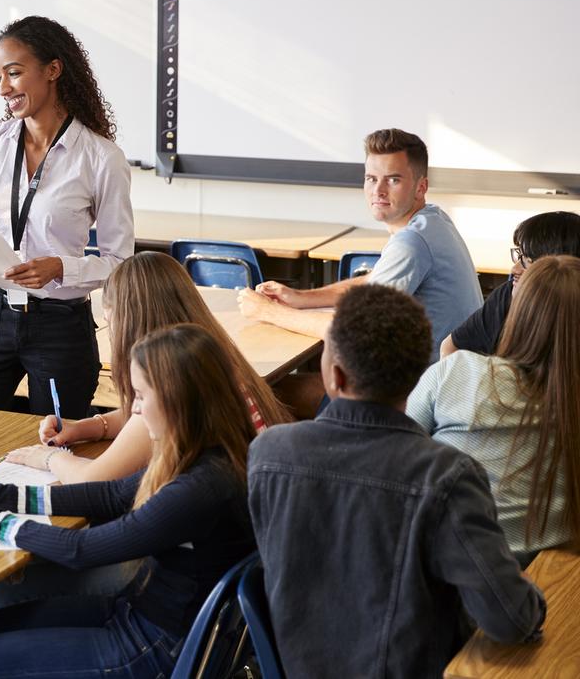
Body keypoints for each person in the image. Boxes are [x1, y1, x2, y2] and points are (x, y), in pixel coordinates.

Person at [248, 284, 545, 677]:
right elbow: (510, 619)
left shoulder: (268, 454)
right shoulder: (447, 475)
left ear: (333, 375)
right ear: (415, 378)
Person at [0, 324, 257, 679]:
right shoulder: (203, 453)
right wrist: (1, 494)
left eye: (142, 396)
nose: (134, 411)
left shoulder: (200, 487)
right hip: (143, 616)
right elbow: (110, 494)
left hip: (154, 648)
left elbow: (81, 550)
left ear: (179, 400)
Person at [0, 15, 134, 417]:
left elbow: (119, 263)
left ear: (53, 70)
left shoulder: (101, 158)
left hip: (59, 326)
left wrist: (60, 268)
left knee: (58, 448)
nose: (3, 88)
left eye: (14, 73)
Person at [239, 128, 482, 416]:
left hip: (418, 397)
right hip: (447, 384)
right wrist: (302, 297)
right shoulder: (434, 221)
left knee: (264, 393)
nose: (378, 191)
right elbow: (375, 281)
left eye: (393, 180)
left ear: (420, 187)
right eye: (371, 179)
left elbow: (352, 333)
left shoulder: (412, 242)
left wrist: (267, 312)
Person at [6, 251, 289, 485]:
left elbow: (91, 478)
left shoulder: (169, 384)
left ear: (124, 319)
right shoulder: (203, 356)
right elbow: (136, 418)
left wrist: (48, 458)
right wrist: (86, 427)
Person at [408, 255, 580, 560]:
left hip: (446, 561)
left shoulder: (458, 371)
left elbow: (392, 451)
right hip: (550, 572)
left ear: (517, 314)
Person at [441, 210, 580, 358]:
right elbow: (450, 347)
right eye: (520, 256)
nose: (515, 269)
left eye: (528, 261)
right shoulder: (506, 295)